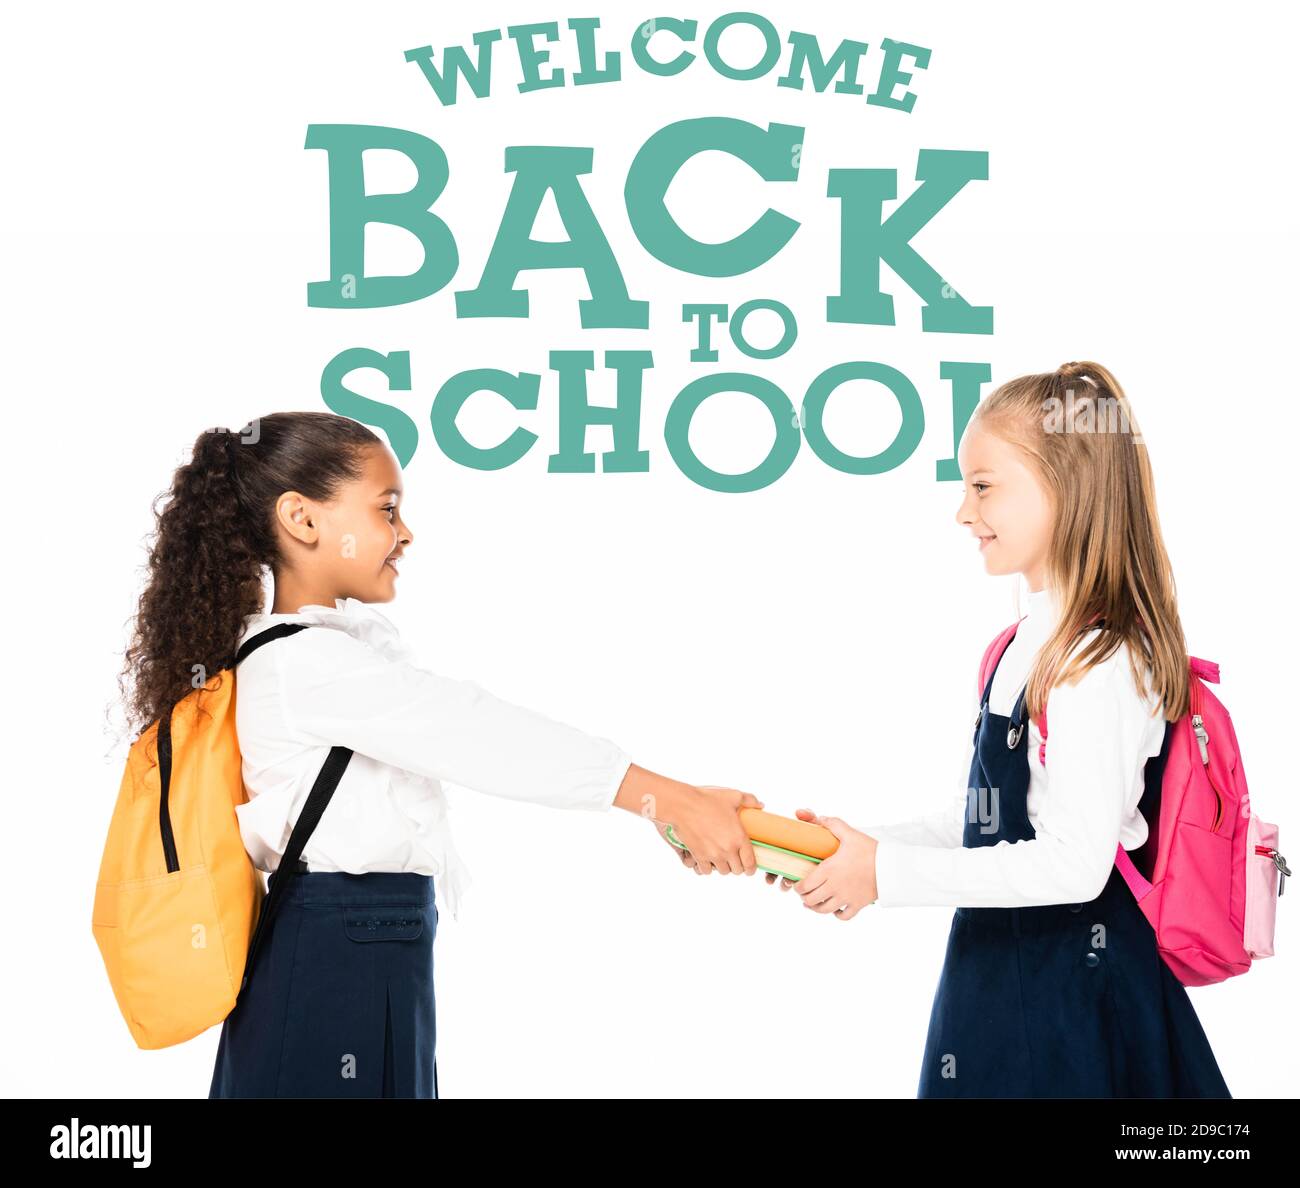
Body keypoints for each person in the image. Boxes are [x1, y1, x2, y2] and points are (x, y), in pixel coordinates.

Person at [116, 410, 763, 1098]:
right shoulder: (305, 664)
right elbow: (477, 733)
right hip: (337, 953)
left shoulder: (330, 654)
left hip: (367, 946)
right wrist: (672, 800)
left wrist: (675, 804)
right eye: (386, 510)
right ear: (303, 521)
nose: (405, 533)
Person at [678, 361, 1232, 1098]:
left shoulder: (1100, 659)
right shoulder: (1026, 642)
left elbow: (1074, 864)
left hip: (1074, 996)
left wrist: (884, 874)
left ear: (1065, 487)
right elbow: (994, 823)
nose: (963, 513)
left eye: (982, 485)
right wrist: (859, 849)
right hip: (1000, 978)